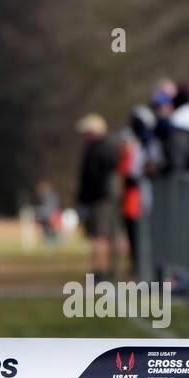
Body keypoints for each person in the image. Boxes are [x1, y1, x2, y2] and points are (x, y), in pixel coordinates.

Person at [75, 113, 118, 279]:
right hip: (97, 198)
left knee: (100, 236)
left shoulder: (102, 148)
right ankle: (99, 270)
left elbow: (94, 176)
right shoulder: (98, 147)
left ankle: (101, 271)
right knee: (98, 236)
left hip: (100, 198)